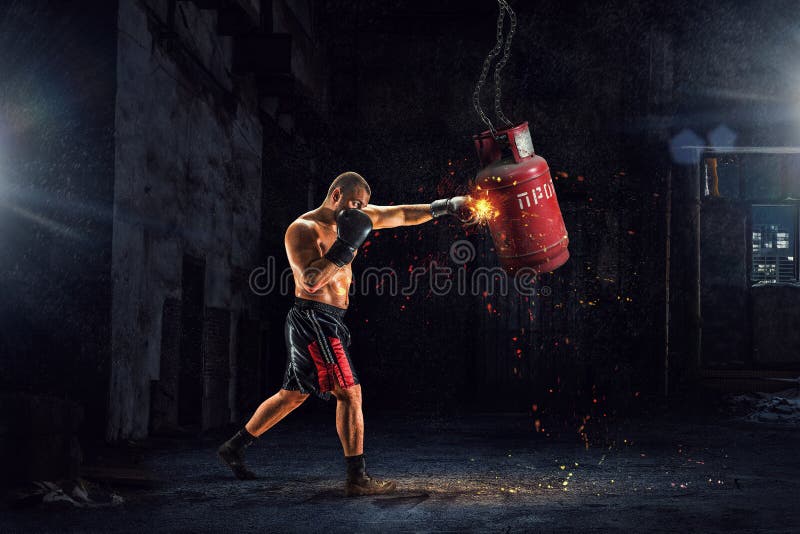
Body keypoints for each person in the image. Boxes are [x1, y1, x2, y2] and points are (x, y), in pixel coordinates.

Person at [218, 171, 472, 496]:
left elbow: (402, 213)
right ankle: (357, 478)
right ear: (335, 195)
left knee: (293, 395)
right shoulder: (303, 229)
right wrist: (345, 246)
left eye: (363, 206)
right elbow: (311, 280)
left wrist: (447, 205)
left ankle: (234, 447)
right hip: (314, 319)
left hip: (331, 319)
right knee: (350, 393)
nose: (359, 211)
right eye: (354, 204)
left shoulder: (354, 216)